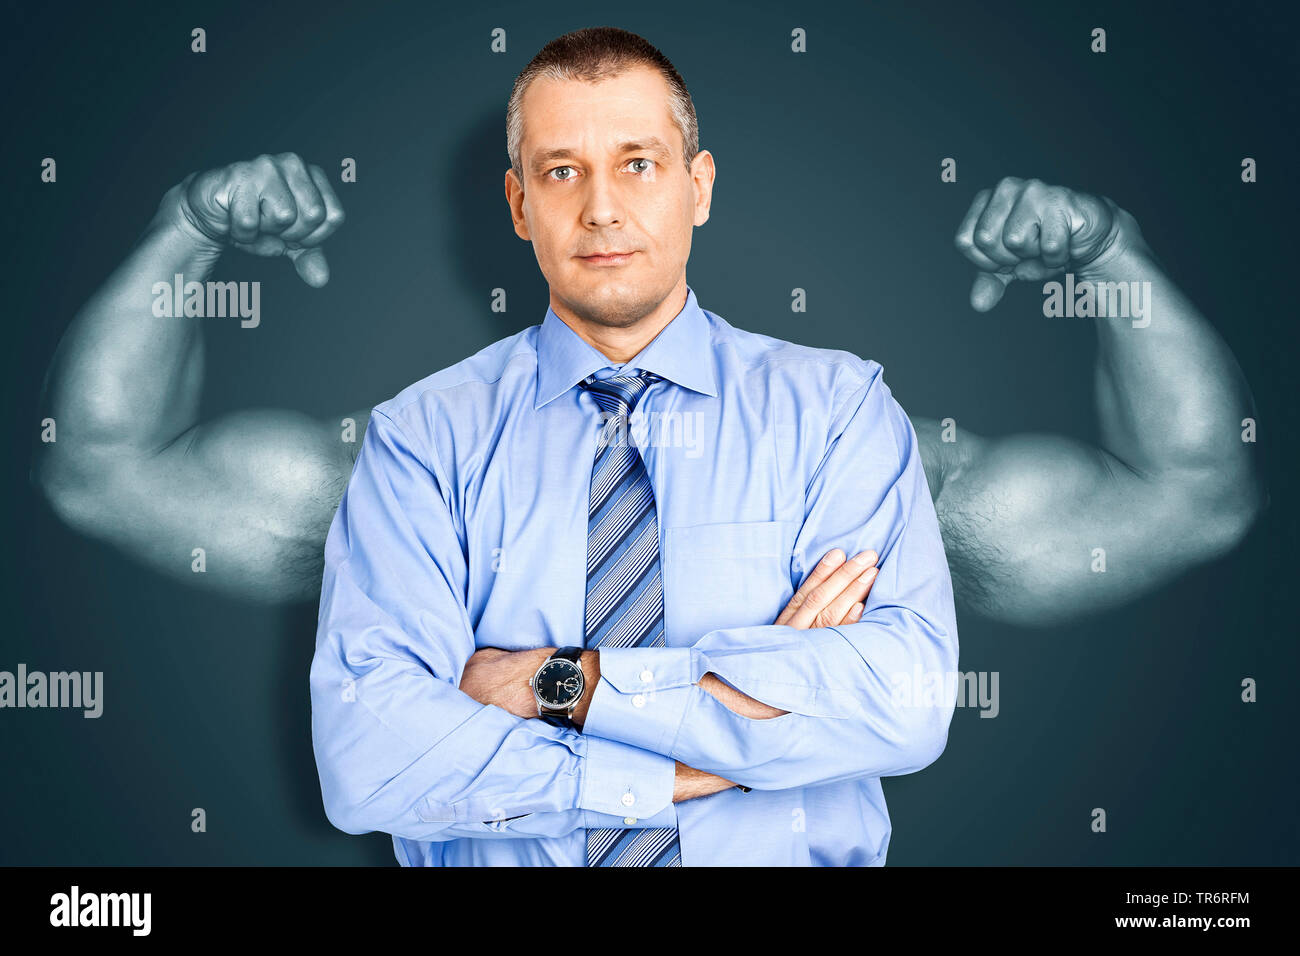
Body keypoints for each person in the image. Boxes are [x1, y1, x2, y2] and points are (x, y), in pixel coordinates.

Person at [31, 29, 1264, 625]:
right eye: (560, 171)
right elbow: (105, 468)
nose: (604, 203)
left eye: (637, 161)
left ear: (701, 186)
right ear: (516, 205)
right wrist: (187, 231)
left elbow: (1187, 493)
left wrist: (1109, 260)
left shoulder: (845, 462)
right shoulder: (421, 470)